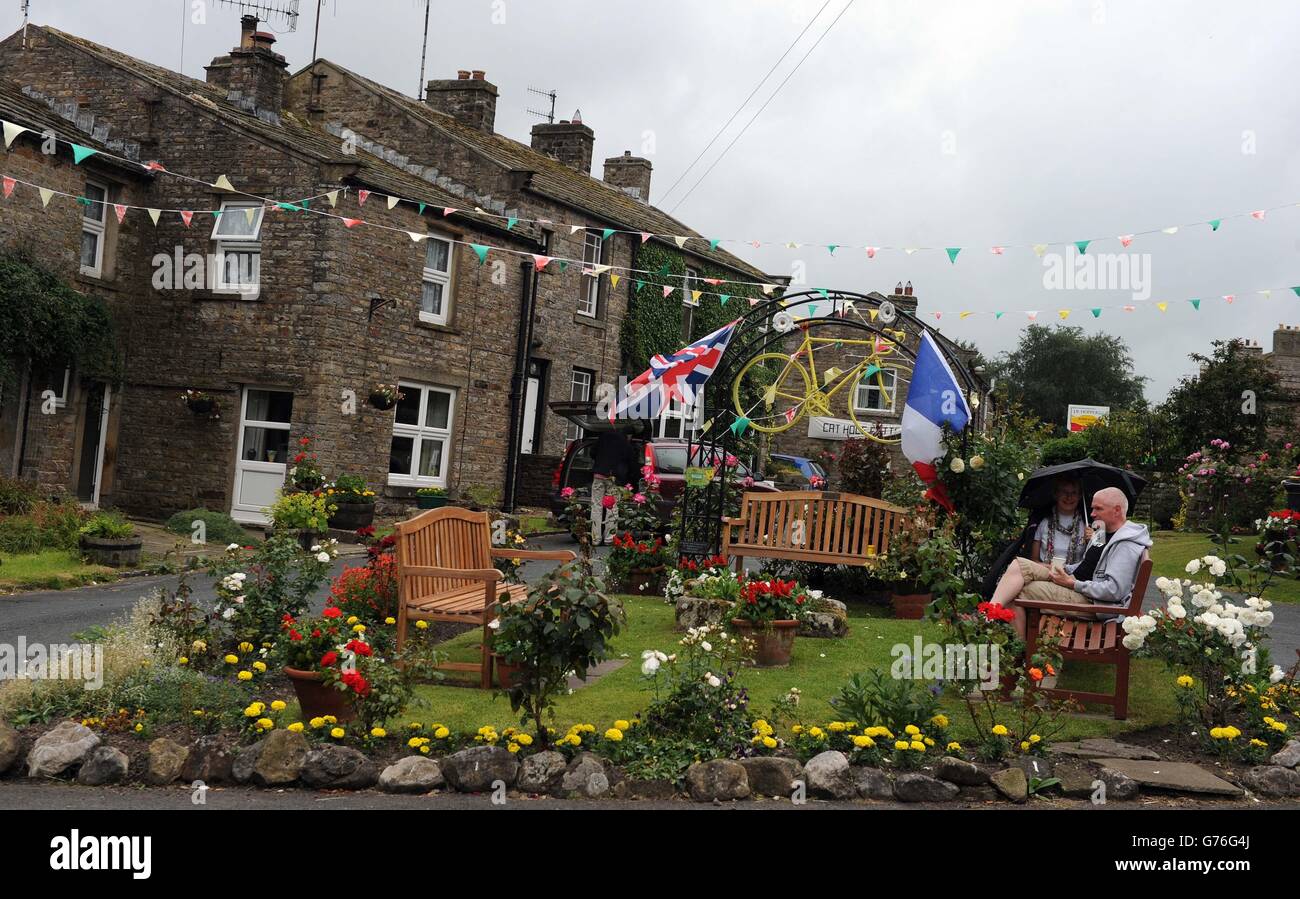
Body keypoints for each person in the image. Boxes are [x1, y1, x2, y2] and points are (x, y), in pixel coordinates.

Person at [988, 486, 1152, 639]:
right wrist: (1062, 568)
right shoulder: (1103, 533)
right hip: (1073, 580)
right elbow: (1087, 565)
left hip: (1093, 601)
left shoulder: (1126, 545)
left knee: (1018, 592)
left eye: (1098, 508)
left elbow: (1113, 591)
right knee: (1020, 565)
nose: (1092, 513)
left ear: (1117, 510)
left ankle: (1020, 651)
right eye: (1092, 508)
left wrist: (1072, 583)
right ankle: (988, 613)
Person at [1030, 476, 1091, 566]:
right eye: (1064, 492)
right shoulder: (1043, 522)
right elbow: (1034, 560)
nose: (1069, 497)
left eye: (1074, 492)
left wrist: (1093, 541)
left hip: (1076, 577)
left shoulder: (1090, 522)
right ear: (1056, 494)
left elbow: (1099, 558)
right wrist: (1048, 568)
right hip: (1046, 574)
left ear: (1079, 496)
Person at [590, 427, 635, 546]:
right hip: (614, 478)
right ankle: (609, 538)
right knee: (612, 507)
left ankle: (595, 538)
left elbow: (592, 452)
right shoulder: (625, 442)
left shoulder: (603, 436)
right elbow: (631, 460)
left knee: (596, 506)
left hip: (599, 475)